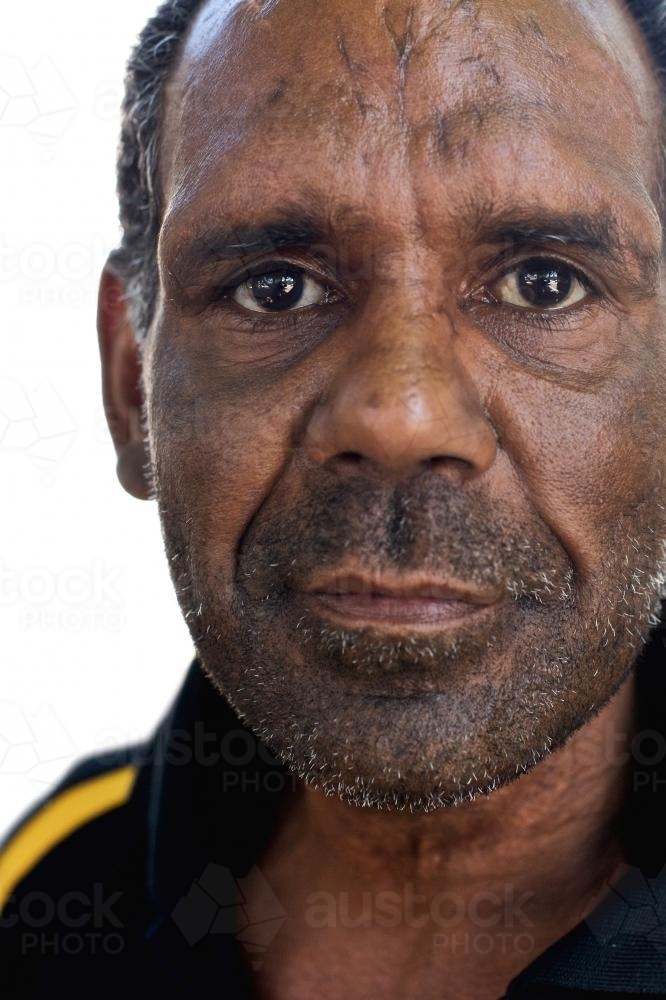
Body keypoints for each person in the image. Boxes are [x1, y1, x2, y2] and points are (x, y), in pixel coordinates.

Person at [3, 0, 666, 996]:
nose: (401, 416)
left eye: (544, 284)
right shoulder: (45, 897)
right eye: (275, 288)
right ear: (131, 384)